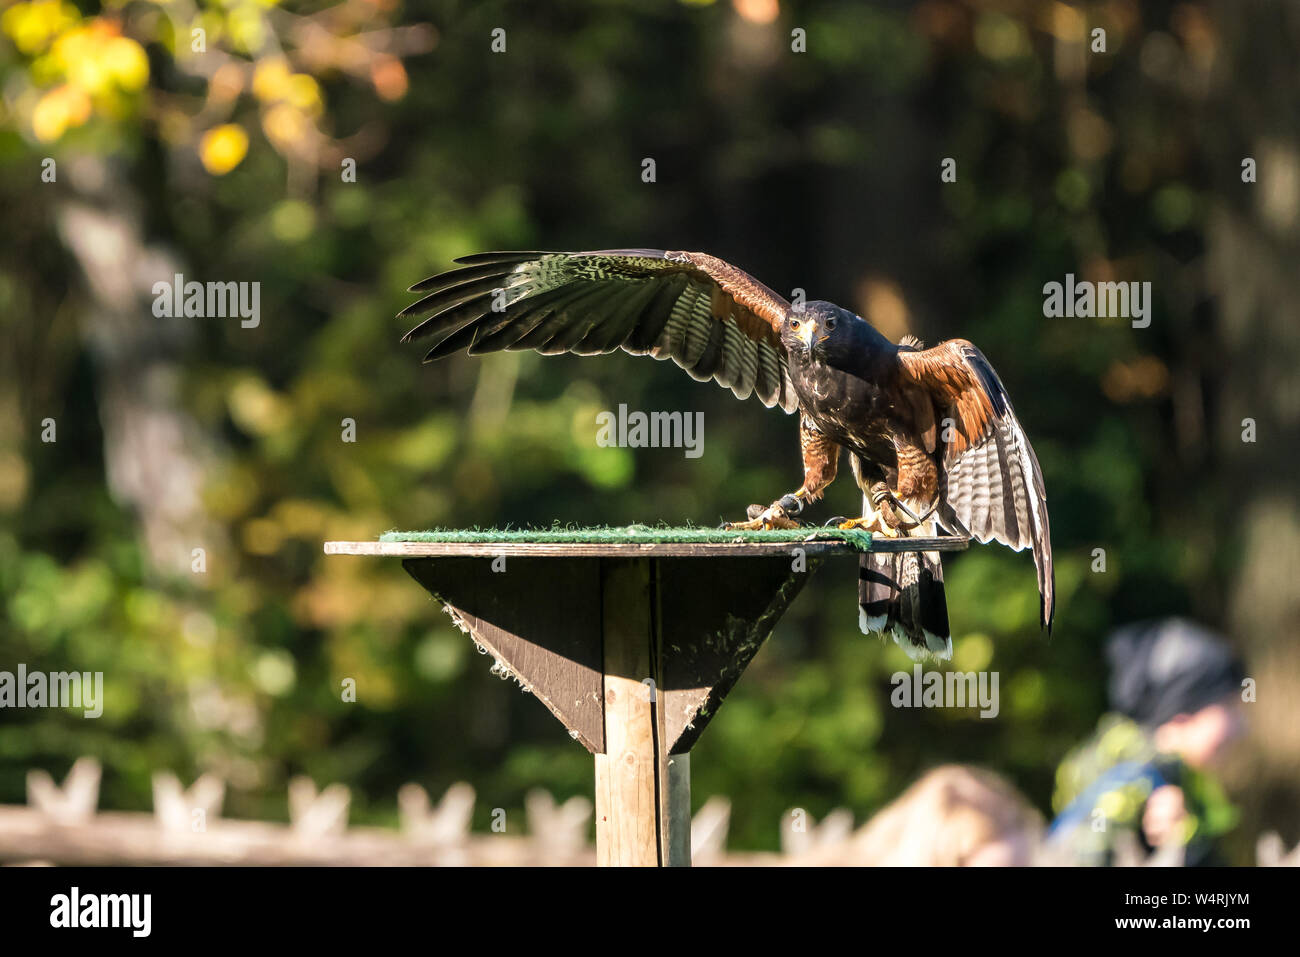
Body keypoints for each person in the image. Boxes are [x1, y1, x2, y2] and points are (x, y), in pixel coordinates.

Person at [1047, 619, 1245, 865]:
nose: (1242, 726)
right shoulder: (1129, 775)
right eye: (1229, 708)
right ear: (1180, 715)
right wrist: (1158, 839)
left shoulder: (1179, 775)